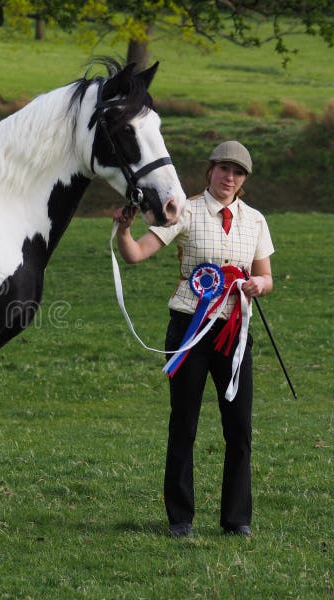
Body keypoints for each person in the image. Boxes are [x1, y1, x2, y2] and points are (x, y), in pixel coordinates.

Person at [113, 141, 274, 537]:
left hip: (234, 333)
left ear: (244, 180)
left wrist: (258, 284)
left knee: (239, 428)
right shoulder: (184, 210)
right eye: (223, 169)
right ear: (210, 171)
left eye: (237, 172)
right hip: (188, 328)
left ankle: (237, 520)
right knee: (184, 423)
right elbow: (135, 254)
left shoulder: (254, 220)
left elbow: (266, 277)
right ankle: (180, 518)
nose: (229, 178)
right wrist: (123, 229)